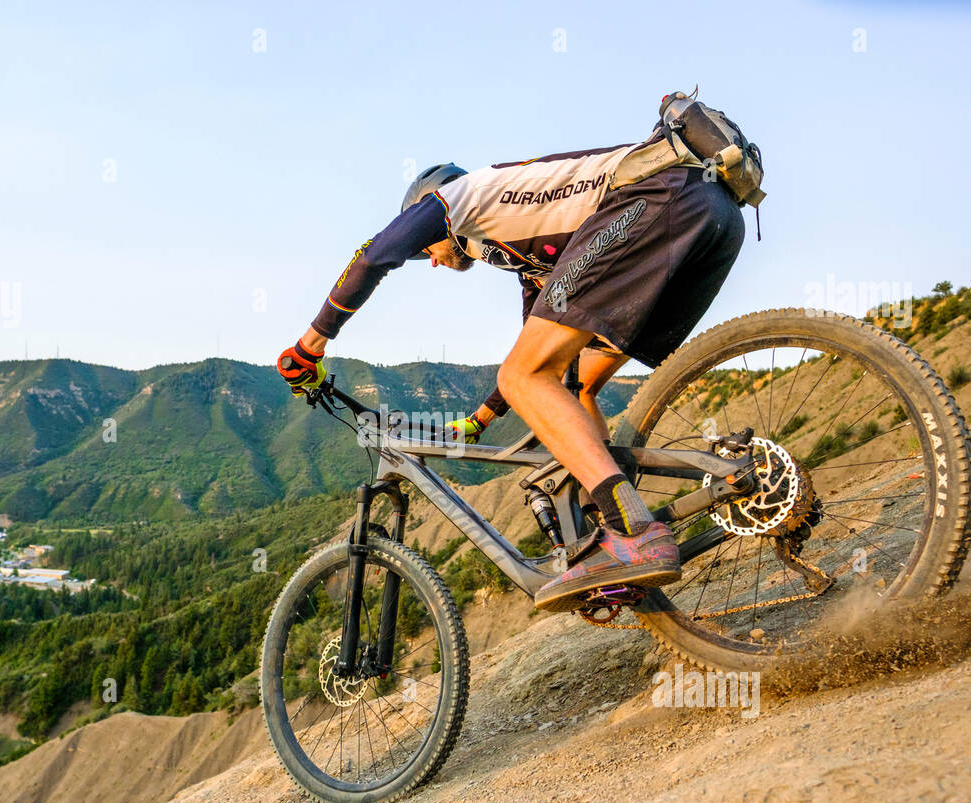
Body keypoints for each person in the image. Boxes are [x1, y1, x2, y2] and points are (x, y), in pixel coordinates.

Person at [277, 118, 746, 611]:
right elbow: (536, 346)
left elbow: (372, 257)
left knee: (526, 376)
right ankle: (608, 523)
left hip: (656, 204)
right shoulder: (517, 243)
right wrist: (481, 419)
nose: (430, 261)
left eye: (425, 250)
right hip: (714, 214)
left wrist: (309, 347)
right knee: (572, 382)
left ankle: (633, 531)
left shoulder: (458, 198)